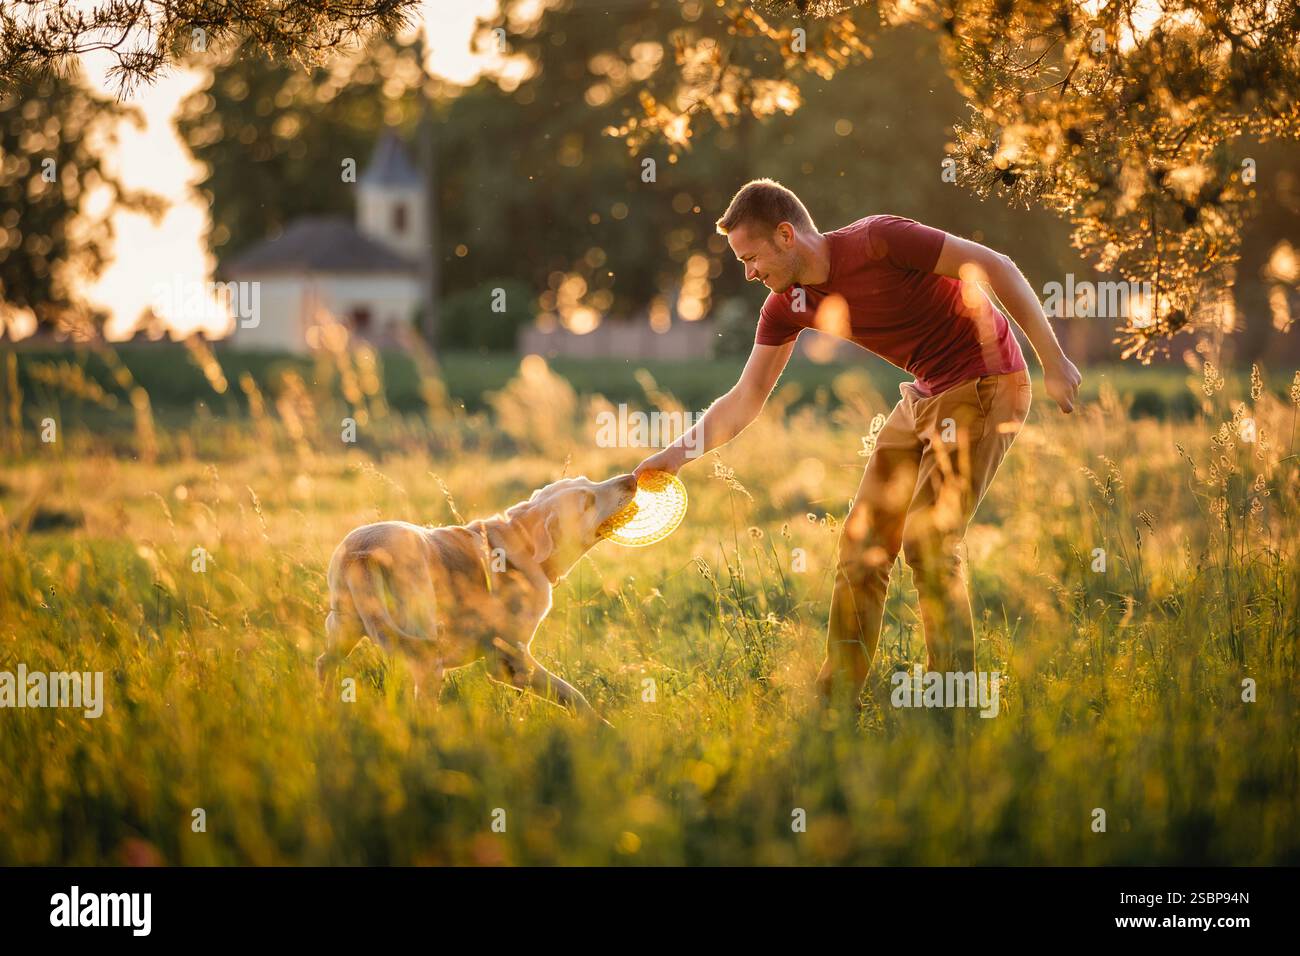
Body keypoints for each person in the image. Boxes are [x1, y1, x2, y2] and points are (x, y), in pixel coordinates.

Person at [634, 178, 1082, 711]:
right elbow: (747, 398)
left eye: (751, 258)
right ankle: (839, 700)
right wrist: (675, 456)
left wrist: (1054, 361)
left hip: (986, 381)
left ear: (785, 235)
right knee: (861, 545)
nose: (749, 273)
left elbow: (996, 267)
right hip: (923, 395)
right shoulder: (786, 304)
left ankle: (953, 699)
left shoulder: (879, 241)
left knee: (929, 541)